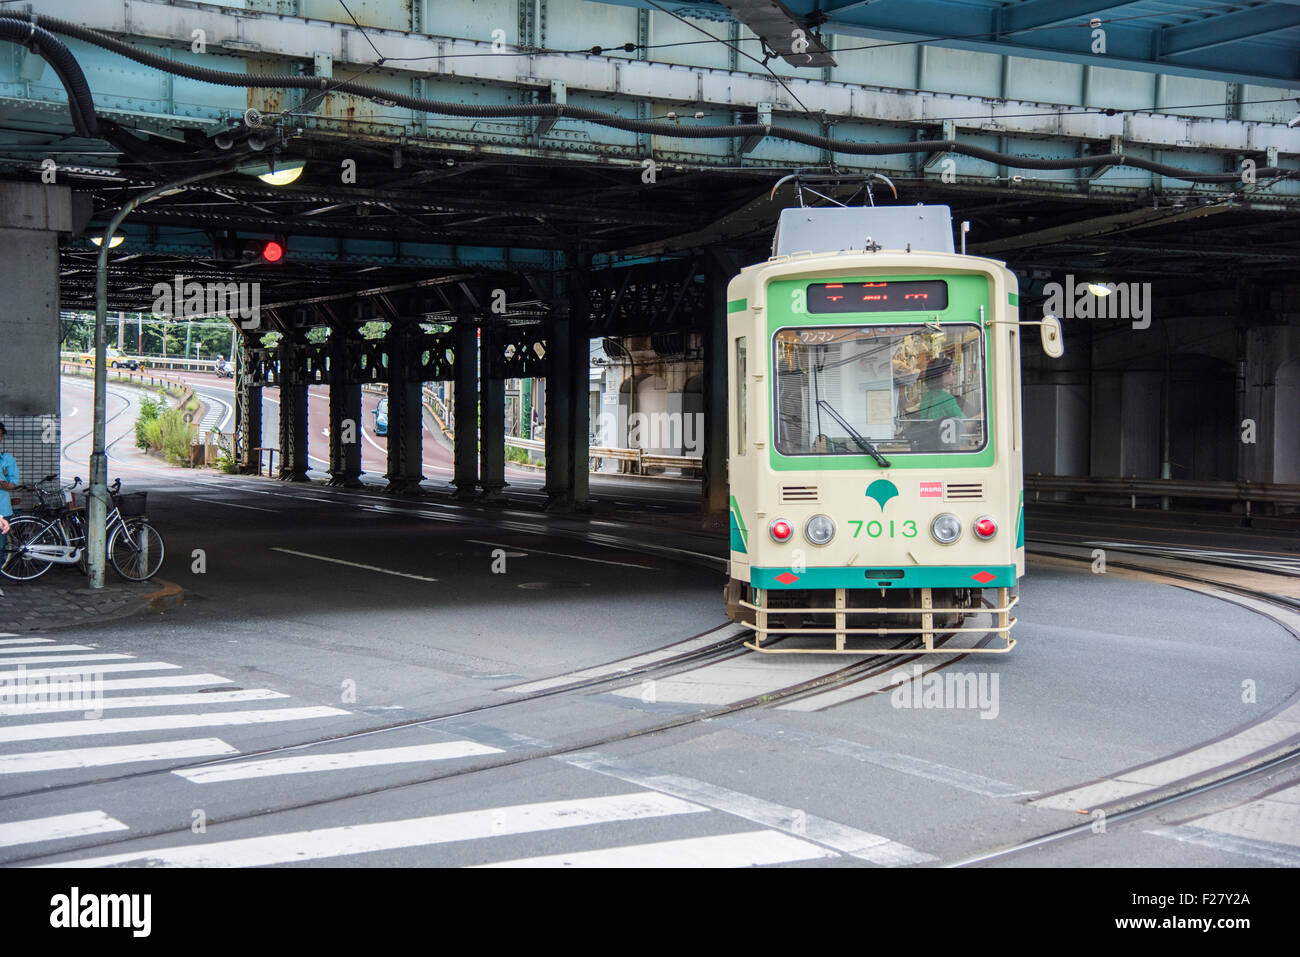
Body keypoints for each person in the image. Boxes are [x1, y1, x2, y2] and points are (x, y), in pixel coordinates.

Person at [916, 356, 964, 421]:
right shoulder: (946, 399)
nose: (954, 374)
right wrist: (979, 416)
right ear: (941, 375)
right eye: (950, 371)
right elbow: (965, 423)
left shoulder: (926, 397)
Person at [0, 422, 17, 597]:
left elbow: (13, 483)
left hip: (3, 508)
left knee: (0, 546)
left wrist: (5, 484)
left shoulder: (7, 459)